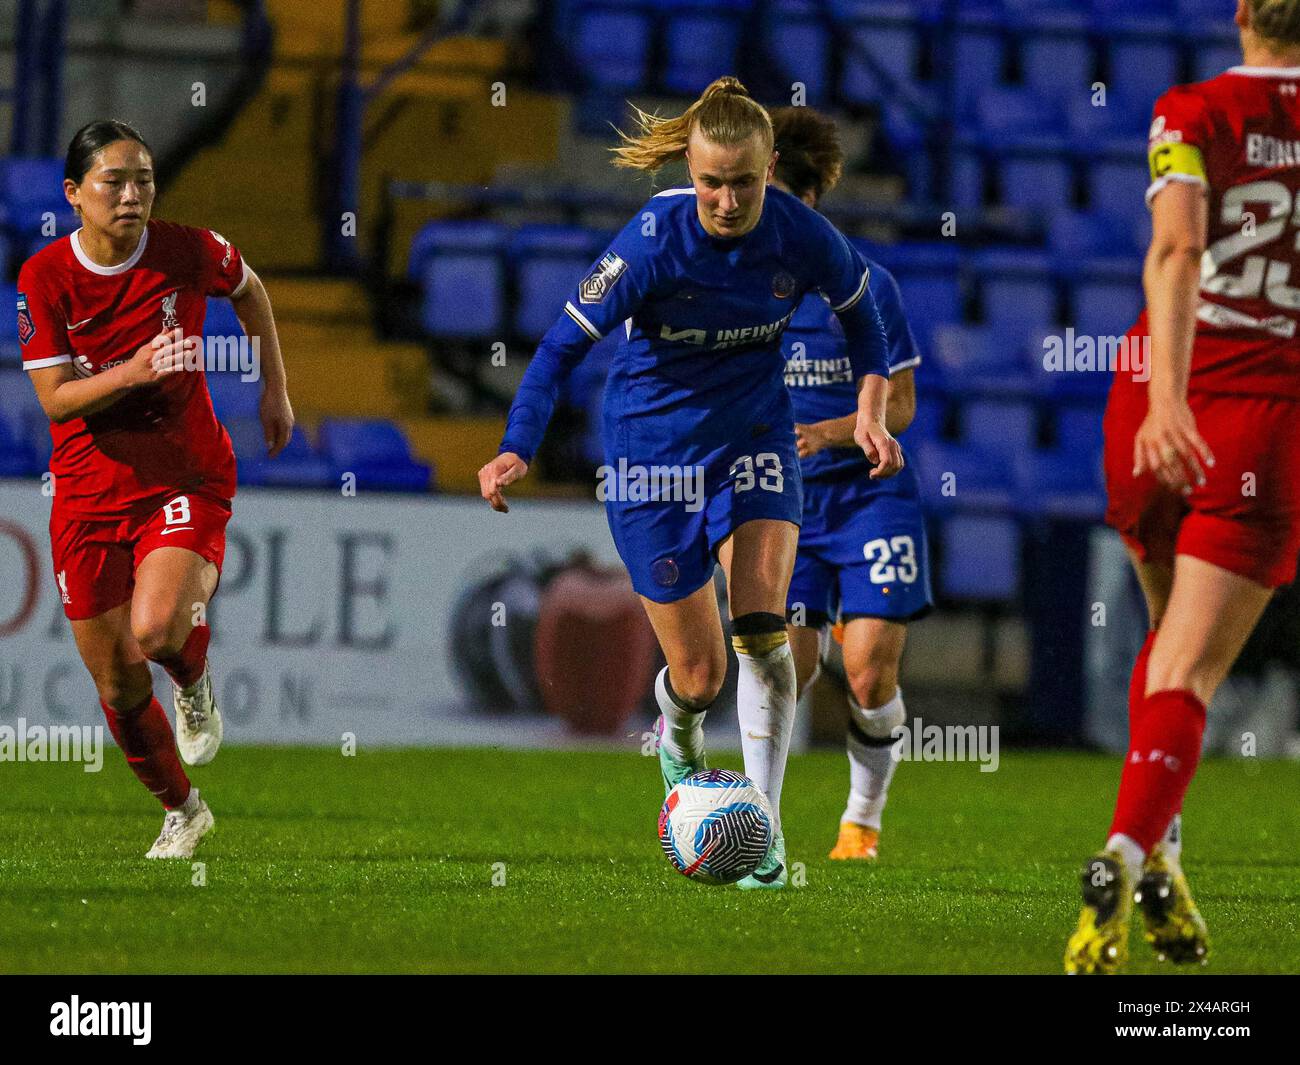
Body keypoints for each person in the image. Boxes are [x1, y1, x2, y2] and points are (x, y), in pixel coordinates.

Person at [477, 77, 904, 889]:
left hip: (755, 437)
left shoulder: (799, 232)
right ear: (690, 168)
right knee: (702, 677)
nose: (727, 199)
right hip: (652, 457)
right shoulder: (651, 238)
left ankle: (765, 840)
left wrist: (871, 409)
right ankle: (677, 734)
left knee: (765, 638)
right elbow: (560, 348)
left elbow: (862, 314)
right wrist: (516, 446)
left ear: (770, 167)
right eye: (711, 181)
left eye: (744, 181)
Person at [1065, 0, 1300, 973]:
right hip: (1266, 409)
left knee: (1164, 648)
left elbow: (1176, 250)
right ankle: (1123, 852)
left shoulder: (1190, 109)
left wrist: (1163, 403)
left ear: (1241, 14)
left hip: (1151, 389)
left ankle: (1163, 859)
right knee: (1189, 670)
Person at [16, 120, 294, 859]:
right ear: (74, 194)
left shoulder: (186, 250)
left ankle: (194, 677)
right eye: (114, 181)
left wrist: (275, 389)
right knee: (116, 680)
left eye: (143, 178)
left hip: (183, 473)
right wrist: (133, 372)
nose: (133, 194)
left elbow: (251, 287)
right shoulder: (43, 278)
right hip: (86, 492)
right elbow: (55, 399)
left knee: (156, 628)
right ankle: (184, 809)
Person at [770, 107, 933, 862]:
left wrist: (829, 432)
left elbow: (898, 405)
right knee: (787, 670)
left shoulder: (868, 285)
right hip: (786, 502)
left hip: (869, 490)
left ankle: (860, 821)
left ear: (803, 201)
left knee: (868, 672)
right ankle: (755, 822)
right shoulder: (749, 294)